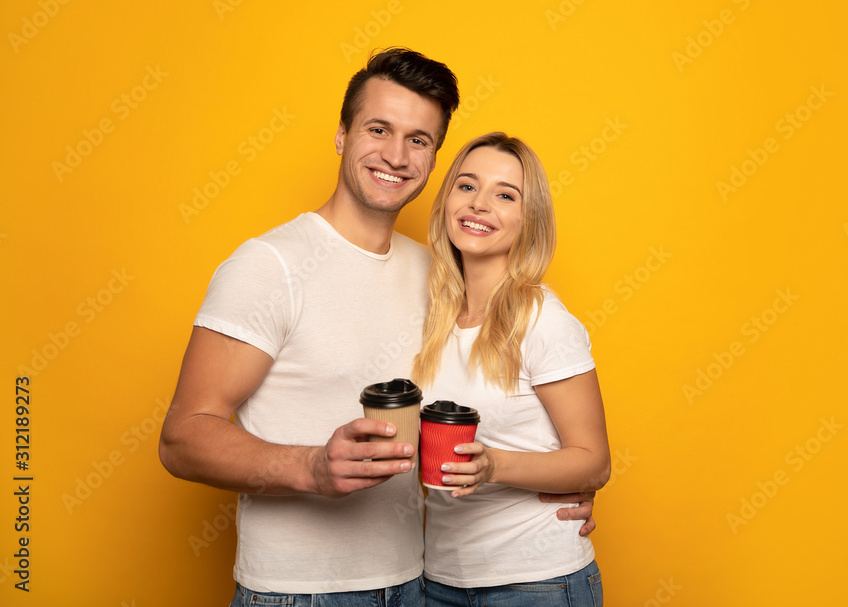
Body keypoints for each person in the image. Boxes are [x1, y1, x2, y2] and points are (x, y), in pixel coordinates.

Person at [158, 48, 594, 605]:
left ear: (434, 159)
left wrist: (556, 489)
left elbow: (510, 411)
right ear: (342, 134)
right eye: (378, 128)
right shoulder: (269, 265)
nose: (396, 154)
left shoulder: (440, 277)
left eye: (418, 140)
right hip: (300, 593)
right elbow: (182, 437)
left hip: (415, 583)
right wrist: (310, 467)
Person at [411, 132, 611, 606]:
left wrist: (495, 465)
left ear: (528, 220)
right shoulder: (430, 316)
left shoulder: (543, 320)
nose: (479, 204)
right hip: (438, 581)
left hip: (536, 583)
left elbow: (594, 461)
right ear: (445, 202)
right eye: (466, 186)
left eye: (505, 195)